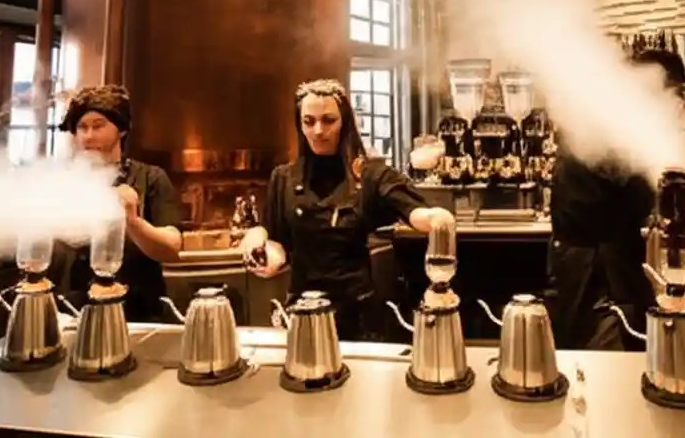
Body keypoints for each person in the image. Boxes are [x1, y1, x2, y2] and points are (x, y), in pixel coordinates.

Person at [238, 78, 455, 341]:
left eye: (328, 120)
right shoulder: (283, 178)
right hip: (302, 312)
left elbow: (414, 210)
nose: (318, 130)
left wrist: (434, 219)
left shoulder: (370, 175)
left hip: (358, 316)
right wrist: (262, 251)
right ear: (300, 125)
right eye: (309, 121)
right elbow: (278, 243)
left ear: (345, 122)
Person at [546, 49, 685, 351]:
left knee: (629, 337)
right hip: (593, 264)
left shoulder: (621, 118)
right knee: (603, 346)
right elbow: (623, 165)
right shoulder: (606, 119)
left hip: (611, 252)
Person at [56, 85, 185, 321]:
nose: (89, 136)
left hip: (139, 313)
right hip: (73, 310)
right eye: (82, 127)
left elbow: (171, 248)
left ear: (122, 129)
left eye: (98, 126)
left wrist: (133, 222)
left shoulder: (150, 177)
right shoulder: (61, 181)